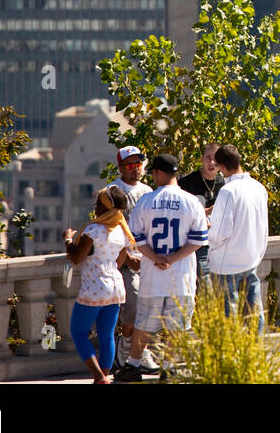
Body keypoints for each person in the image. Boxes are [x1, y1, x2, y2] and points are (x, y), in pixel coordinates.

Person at [114, 153, 209, 383]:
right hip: (182, 275)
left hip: (152, 274)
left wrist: (156, 257)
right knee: (176, 326)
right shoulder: (191, 201)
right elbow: (198, 240)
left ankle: (133, 365)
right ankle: (168, 367)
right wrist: (173, 259)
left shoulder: (146, 201)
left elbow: (136, 239)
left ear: (157, 173)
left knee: (144, 322)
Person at [63, 189, 136, 383]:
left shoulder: (92, 231)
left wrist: (68, 240)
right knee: (107, 335)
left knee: (78, 332)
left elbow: (77, 257)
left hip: (95, 288)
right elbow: (120, 262)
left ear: (105, 207)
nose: (95, 208)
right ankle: (104, 376)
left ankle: (99, 377)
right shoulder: (122, 230)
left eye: (98, 204)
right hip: (116, 287)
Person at [207, 143, 270, 334]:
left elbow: (220, 232)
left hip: (227, 263)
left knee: (228, 315)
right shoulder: (259, 188)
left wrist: (206, 229)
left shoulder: (228, 191)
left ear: (222, 166)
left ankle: (231, 355)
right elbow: (264, 225)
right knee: (254, 311)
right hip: (251, 258)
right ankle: (254, 349)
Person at [110, 145, 153, 372]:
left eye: (139, 164)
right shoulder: (114, 191)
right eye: (130, 165)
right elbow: (110, 228)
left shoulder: (147, 191)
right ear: (121, 168)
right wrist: (126, 257)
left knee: (147, 307)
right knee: (133, 306)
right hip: (124, 260)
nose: (135, 169)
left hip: (146, 258)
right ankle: (127, 347)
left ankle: (138, 350)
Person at [178, 142, 224, 286]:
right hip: (196, 246)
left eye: (216, 159)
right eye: (208, 158)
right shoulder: (186, 182)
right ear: (201, 159)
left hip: (218, 247)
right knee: (205, 293)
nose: (212, 163)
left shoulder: (224, 184)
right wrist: (202, 213)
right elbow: (179, 213)